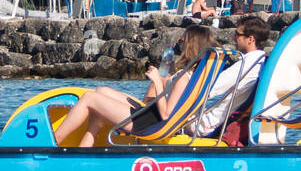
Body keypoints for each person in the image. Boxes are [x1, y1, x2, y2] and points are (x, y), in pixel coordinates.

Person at [52, 26, 217, 148]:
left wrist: (158, 83)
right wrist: (160, 79)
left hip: (151, 122)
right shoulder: (192, 74)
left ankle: (54, 141)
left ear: (190, 45)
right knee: (101, 91)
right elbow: (158, 101)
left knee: (89, 98)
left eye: (183, 39)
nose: (179, 42)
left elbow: (166, 114)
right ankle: (85, 149)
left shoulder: (183, 79)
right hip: (151, 114)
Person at [188, 17, 269, 142]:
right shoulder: (262, 62)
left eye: (237, 35)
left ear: (251, 39)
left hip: (209, 125)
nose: (233, 38)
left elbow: (210, 89)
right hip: (220, 119)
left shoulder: (246, 63)